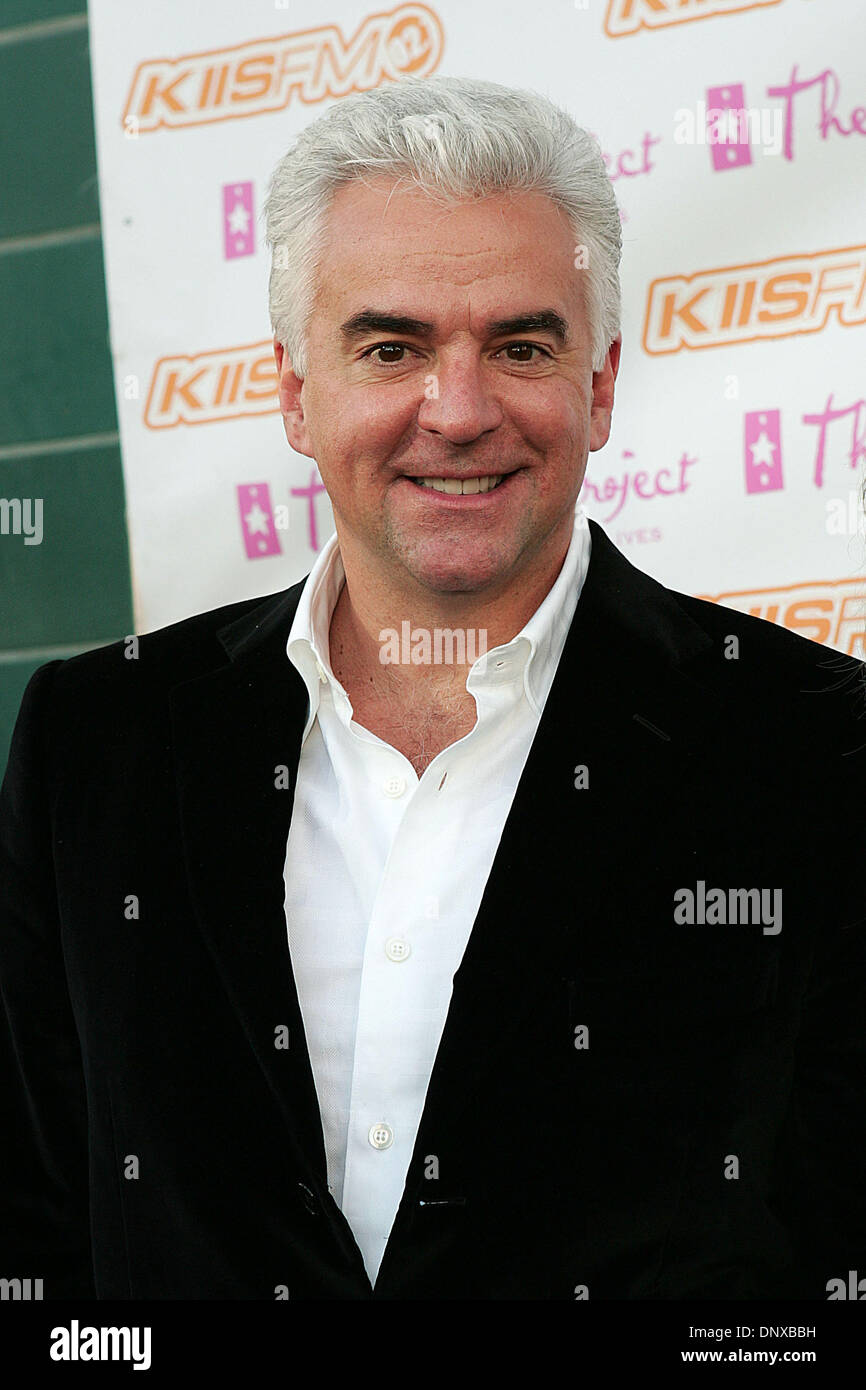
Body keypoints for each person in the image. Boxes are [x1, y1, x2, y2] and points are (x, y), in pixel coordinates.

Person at [1, 75, 864, 1302]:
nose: (455, 413)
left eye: (519, 345)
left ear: (601, 386)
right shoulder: (99, 741)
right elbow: (34, 1244)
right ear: (297, 393)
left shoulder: (815, 751)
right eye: (390, 346)